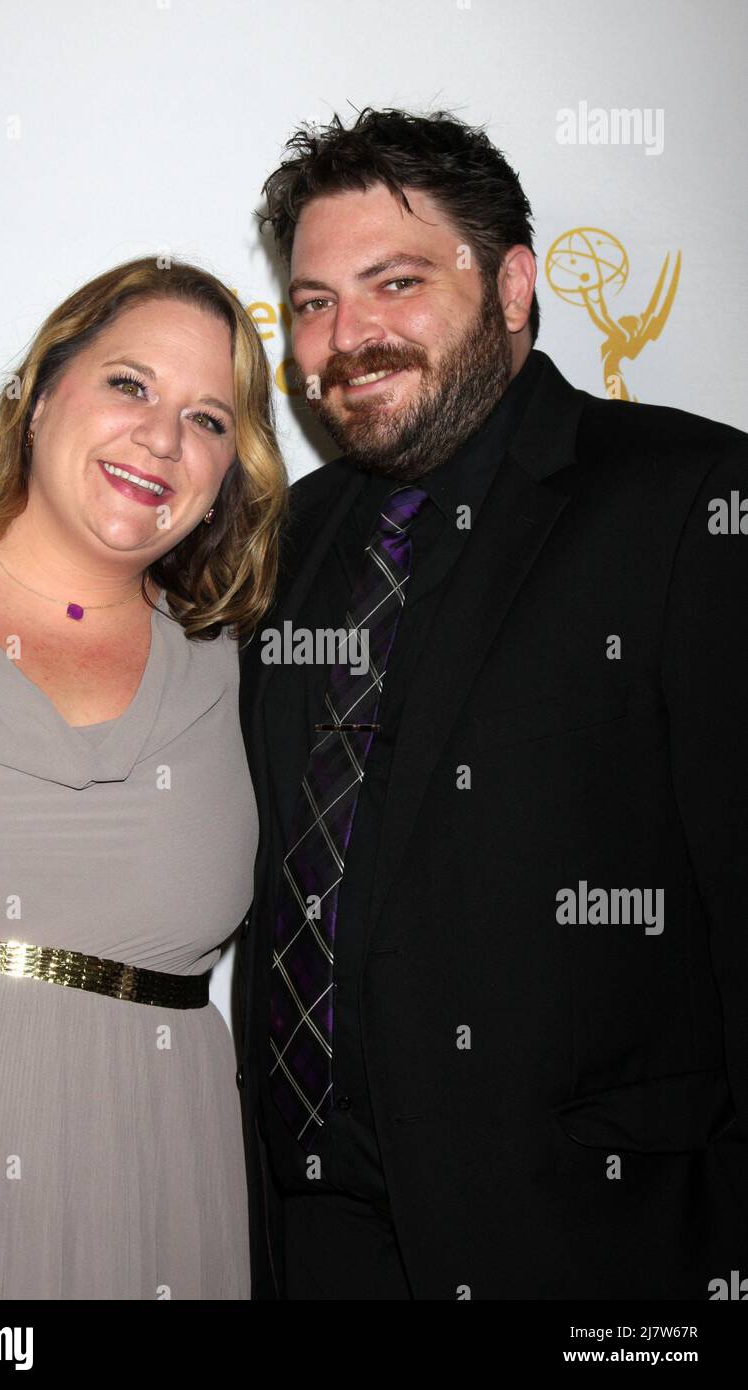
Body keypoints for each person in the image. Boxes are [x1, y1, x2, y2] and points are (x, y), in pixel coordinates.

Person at [235, 107, 748, 1300]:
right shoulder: (290, 542)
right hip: (312, 1239)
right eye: (312, 301)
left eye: (394, 283)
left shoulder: (688, 502)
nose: (345, 338)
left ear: (511, 285)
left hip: (598, 1241)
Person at [0, 255, 286, 1299]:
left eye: (206, 418)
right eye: (129, 383)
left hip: (157, 1211)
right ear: (42, 388)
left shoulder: (237, 664)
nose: (161, 436)